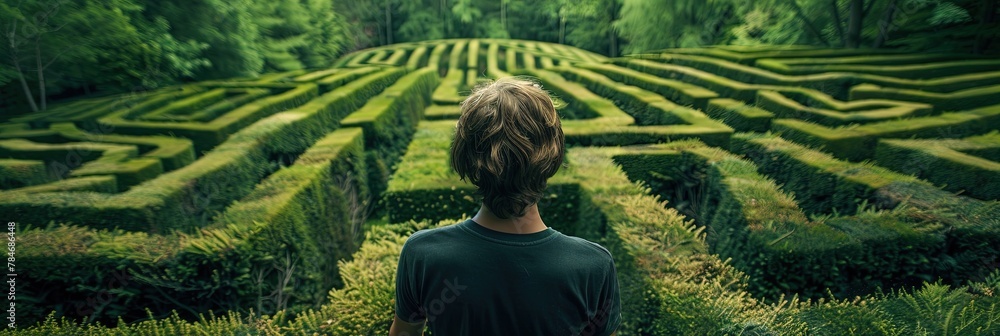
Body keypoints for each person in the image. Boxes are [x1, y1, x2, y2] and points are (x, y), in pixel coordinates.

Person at [389, 77, 621, 336]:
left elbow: (405, 333)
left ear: (464, 157)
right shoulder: (592, 266)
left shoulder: (423, 254)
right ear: (553, 157)